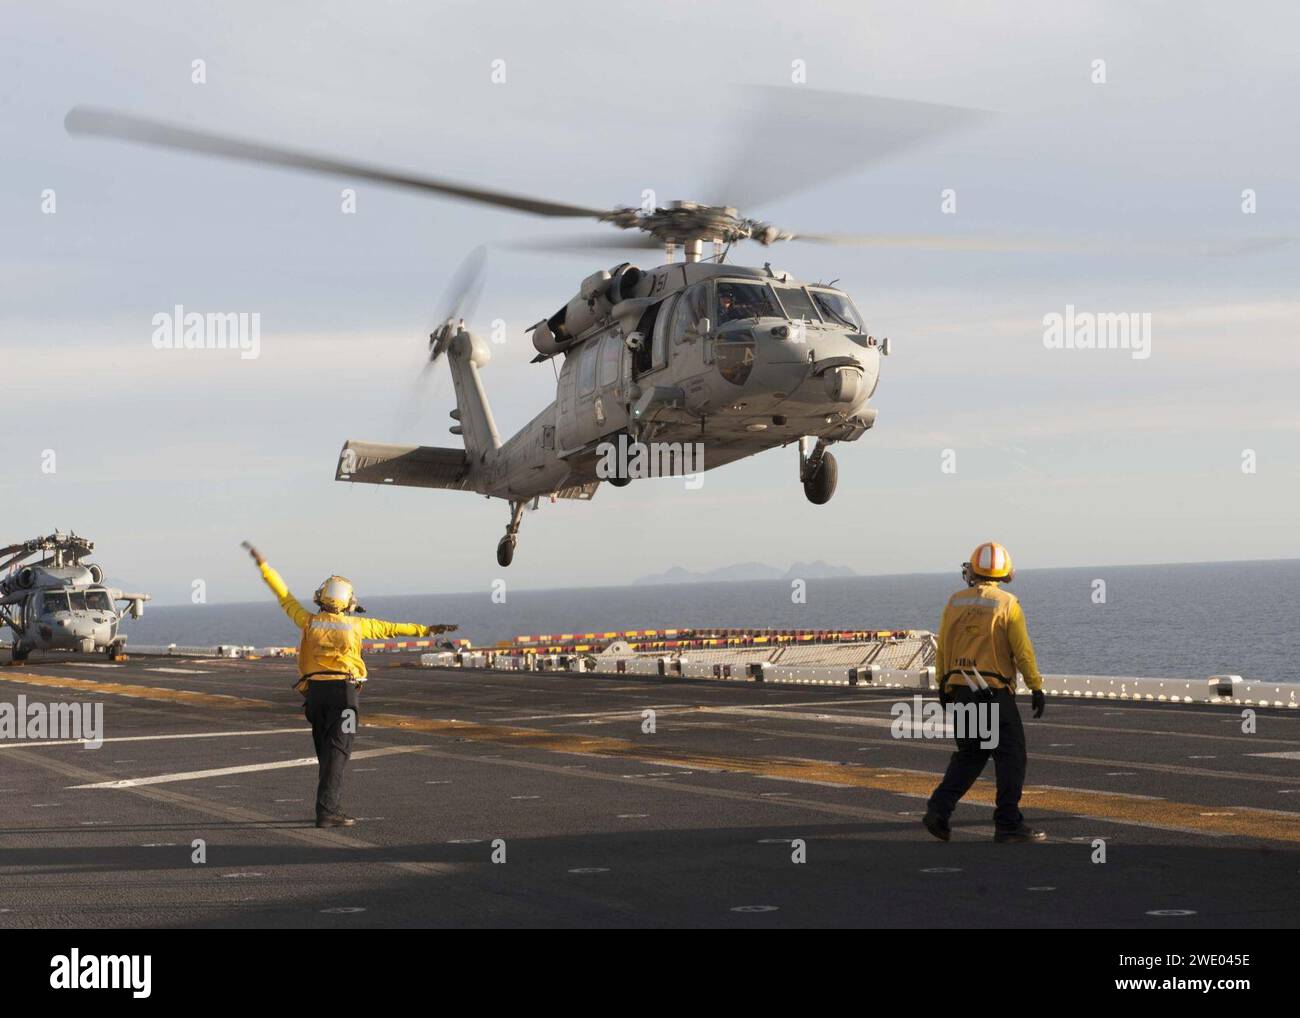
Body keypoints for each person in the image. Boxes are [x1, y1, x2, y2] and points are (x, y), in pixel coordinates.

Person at [242, 542, 457, 828]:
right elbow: (393, 628)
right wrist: (427, 630)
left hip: (315, 696)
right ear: (347, 601)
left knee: (325, 752)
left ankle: (327, 807)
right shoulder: (357, 626)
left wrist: (264, 566)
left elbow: (284, 596)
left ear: (323, 598)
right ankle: (328, 811)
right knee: (338, 752)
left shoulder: (308, 622)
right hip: (344, 696)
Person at [923, 541, 1047, 844]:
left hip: (963, 690)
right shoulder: (1007, 604)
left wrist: (943, 683)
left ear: (973, 569)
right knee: (1011, 755)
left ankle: (938, 811)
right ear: (1004, 573)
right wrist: (1035, 686)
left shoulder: (955, 602)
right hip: (992, 692)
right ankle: (1007, 822)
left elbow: (944, 647)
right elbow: (1022, 652)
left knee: (971, 754)